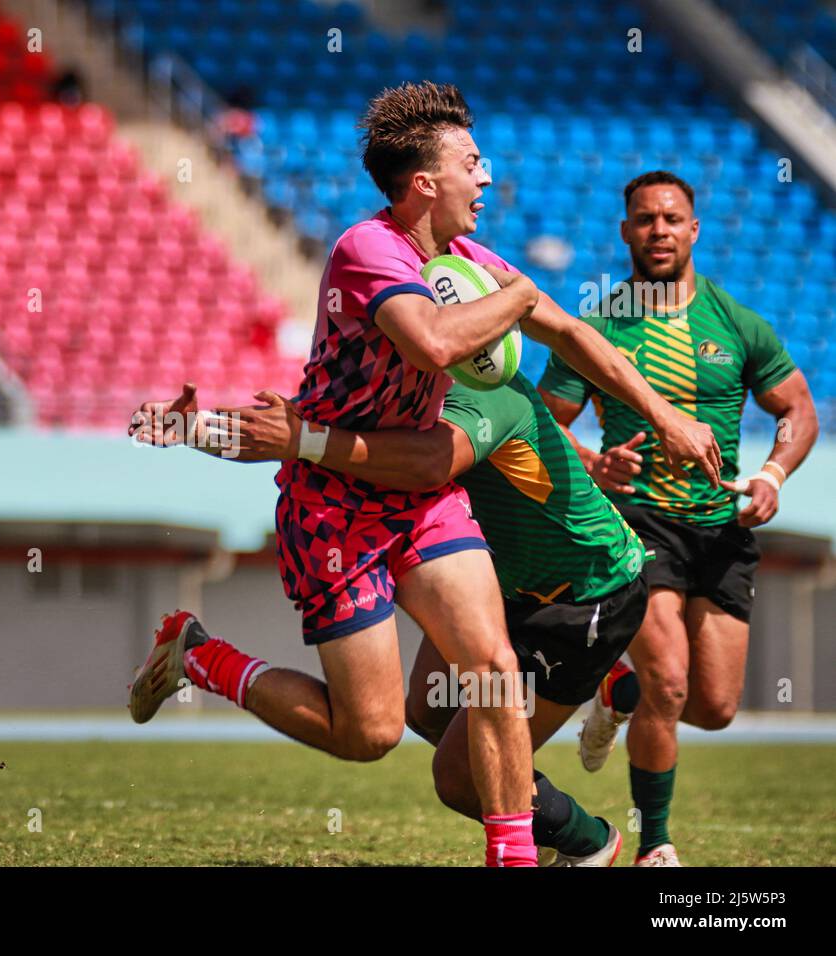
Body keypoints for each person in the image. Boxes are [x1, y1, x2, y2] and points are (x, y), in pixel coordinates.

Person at [128, 83, 719, 867]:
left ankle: (511, 859)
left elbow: (576, 335)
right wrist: (516, 296)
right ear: (425, 184)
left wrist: (665, 415)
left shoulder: (469, 263)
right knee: (368, 732)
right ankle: (199, 656)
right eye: (472, 163)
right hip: (335, 506)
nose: (487, 177)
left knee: (492, 666)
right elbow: (435, 346)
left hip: (424, 500)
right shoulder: (366, 250)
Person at [537, 171, 819, 866]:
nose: (658, 230)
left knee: (714, 706)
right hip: (634, 524)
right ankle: (654, 847)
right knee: (670, 683)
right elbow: (540, 423)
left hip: (722, 528)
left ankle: (617, 688)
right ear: (625, 231)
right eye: (644, 219)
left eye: (671, 218)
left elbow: (799, 409)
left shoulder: (737, 323)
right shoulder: (596, 327)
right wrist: (592, 465)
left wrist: (773, 472)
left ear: (694, 229)